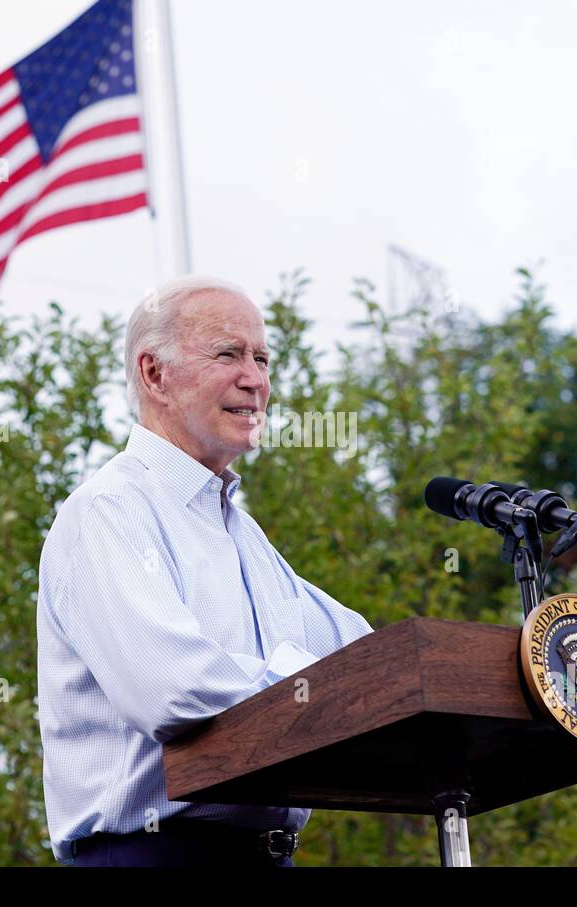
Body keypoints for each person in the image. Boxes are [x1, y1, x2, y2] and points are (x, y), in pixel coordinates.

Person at [37, 275, 372, 866]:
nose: (257, 380)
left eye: (263, 359)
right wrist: (311, 686)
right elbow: (177, 693)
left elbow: (368, 659)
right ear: (154, 375)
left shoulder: (245, 536)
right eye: (229, 354)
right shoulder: (107, 512)